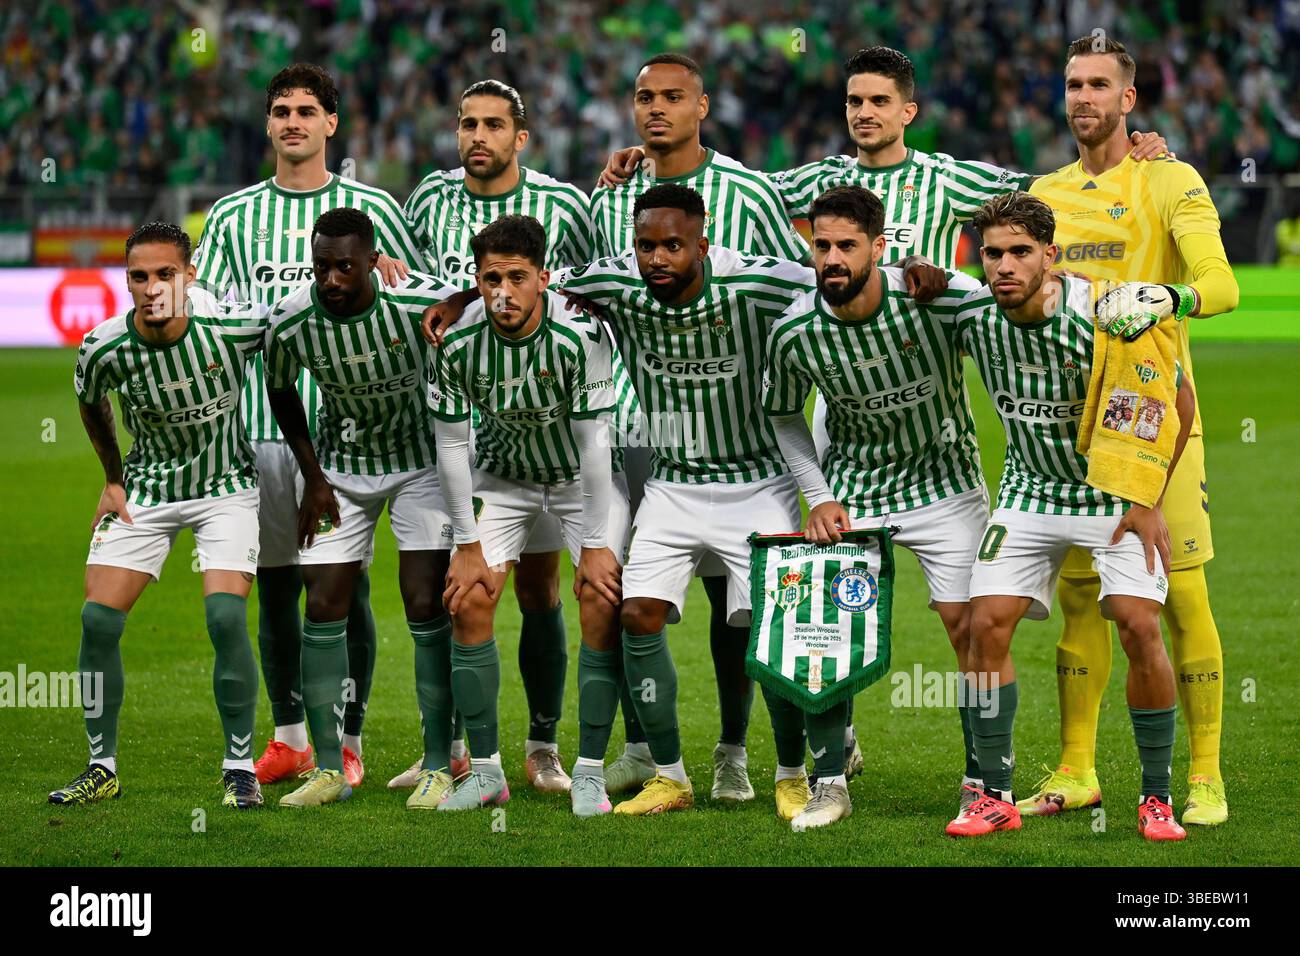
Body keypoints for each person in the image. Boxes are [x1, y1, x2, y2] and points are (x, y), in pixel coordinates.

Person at [1021, 37, 1239, 825]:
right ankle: (1077, 769)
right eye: (1073, 83)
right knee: (1083, 600)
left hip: (1157, 422)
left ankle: (1206, 776)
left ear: (1129, 99)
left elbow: (1219, 283)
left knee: (1178, 596)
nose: (1083, 97)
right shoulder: (1044, 191)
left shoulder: (1170, 178)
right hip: (1071, 430)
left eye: (1099, 85)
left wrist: (1167, 299)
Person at [192, 63, 424, 791]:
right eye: (280, 111)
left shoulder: (372, 208)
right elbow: (210, 320)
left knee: (344, 588)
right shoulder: (231, 218)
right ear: (267, 124)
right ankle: (290, 734)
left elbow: (419, 310)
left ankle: (346, 738)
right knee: (273, 584)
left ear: (331, 123)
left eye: (306, 111)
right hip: (261, 430)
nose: (292, 122)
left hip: (354, 434)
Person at [947, 191, 1196, 842]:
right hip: (1030, 493)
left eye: (1020, 254)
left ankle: (1156, 799)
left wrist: (1147, 502)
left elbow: (1181, 401)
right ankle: (992, 795)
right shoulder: (972, 314)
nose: (1003, 266)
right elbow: (902, 281)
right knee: (984, 626)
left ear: (1051, 258)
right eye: (992, 253)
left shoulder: (1102, 315)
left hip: (1110, 494)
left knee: (1139, 625)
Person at [51, 222, 267, 810]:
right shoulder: (104, 346)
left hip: (227, 486)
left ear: (189, 276)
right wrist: (113, 478)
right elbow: (90, 402)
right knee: (97, 622)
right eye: (139, 276)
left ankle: (238, 767)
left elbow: (302, 325)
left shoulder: (232, 329)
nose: (152, 288)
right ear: (127, 281)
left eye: (165, 274)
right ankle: (102, 766)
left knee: (225, 616)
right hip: (146, 486)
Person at [428, 215, 629, 816]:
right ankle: (486, 771)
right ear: (477, 278)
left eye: (517, 278)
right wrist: (466, 542)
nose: (503, 293)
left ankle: (589, 768)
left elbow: (596, 443)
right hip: (505, 481)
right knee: (468, 597)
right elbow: (450, 447)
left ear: (543, 278)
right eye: (491, 278)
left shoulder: (580, 334)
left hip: (577, 481)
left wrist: (595, 541)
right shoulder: (456, 340)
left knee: (600, 595)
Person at [264, 208, 459, 808]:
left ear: (374, 260)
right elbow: (279, 388)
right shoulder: (291, 320)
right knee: (322, 603)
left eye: (346, 265)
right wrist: (312, 476)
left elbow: (482, 289)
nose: (332, 279)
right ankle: (328, 768)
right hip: (340, 471)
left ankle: (437, 762)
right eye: (322, 266)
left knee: (424, 600)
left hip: (421, 464)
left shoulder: (411, 302)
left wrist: (460, 299)